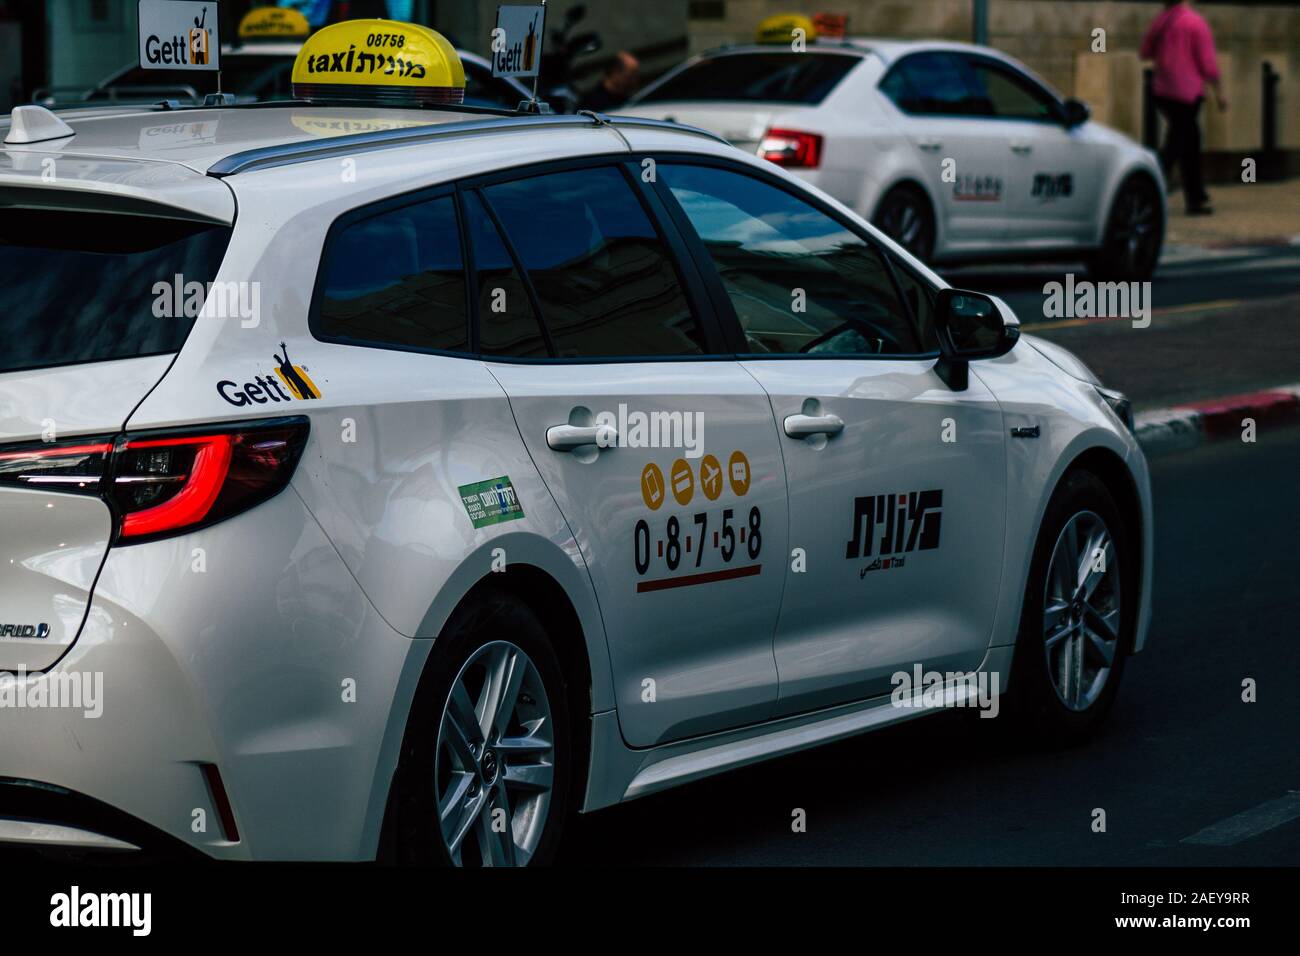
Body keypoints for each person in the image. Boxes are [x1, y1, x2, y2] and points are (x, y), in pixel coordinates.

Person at [1140, 0, 1228, 215]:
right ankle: (1151, 185)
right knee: (1180, 142)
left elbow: (1145, 52)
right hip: (1188, 92)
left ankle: (1195, 196)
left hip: (1163, 90)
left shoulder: (1161, 21)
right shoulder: (1195, 22)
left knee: (1188, 140)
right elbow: (1207, 63)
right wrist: (1219, 92)